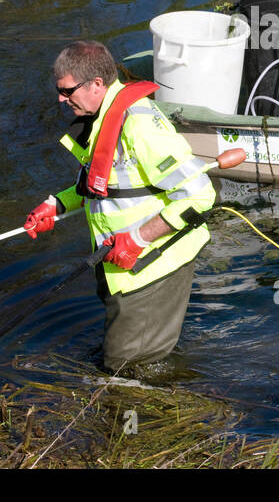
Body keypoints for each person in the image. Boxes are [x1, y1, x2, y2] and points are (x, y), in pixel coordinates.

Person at [22, 40, 215, 372]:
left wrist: (138, 239)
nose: (61, 99)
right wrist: (57, 205)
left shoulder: (139, 125)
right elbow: (106, 186)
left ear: (97, 84)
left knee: (121, 369)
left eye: (67, 91)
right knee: (124, 359)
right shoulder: (102, 119)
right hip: (117, 265)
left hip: (151, 268)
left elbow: (199, 194)